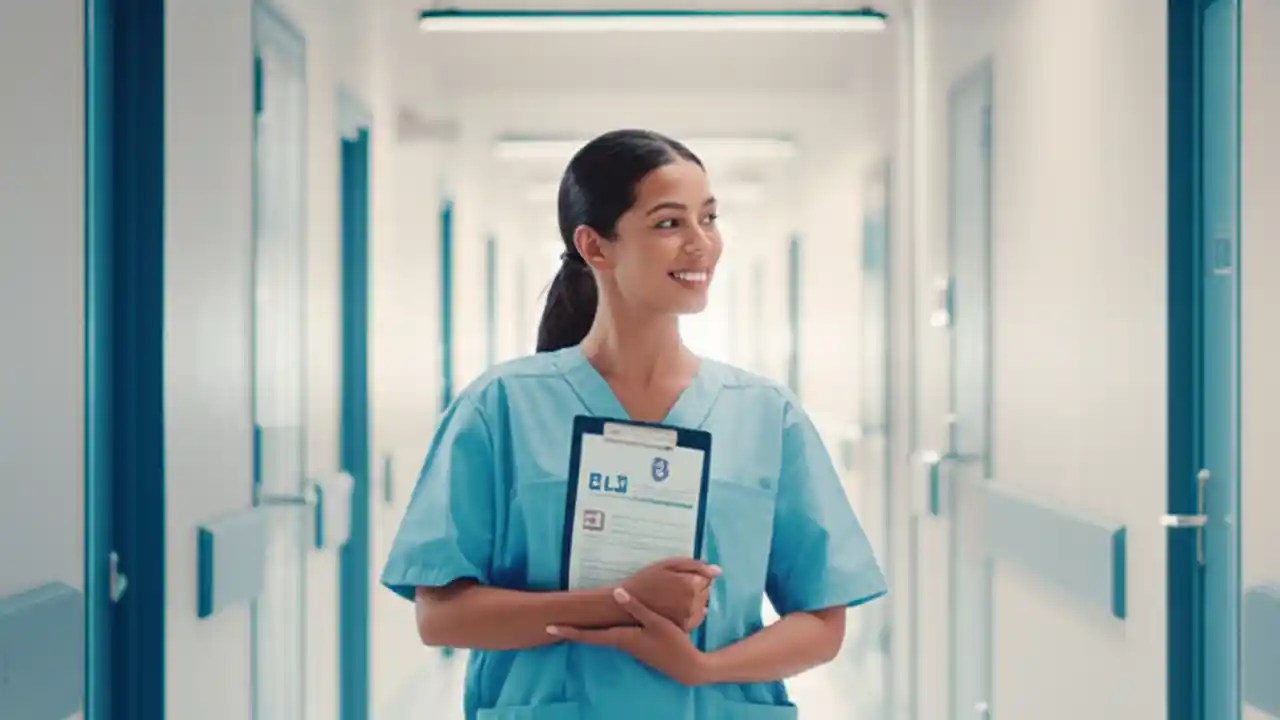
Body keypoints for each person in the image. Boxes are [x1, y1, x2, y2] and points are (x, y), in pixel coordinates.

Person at [380, 129, 887, 720]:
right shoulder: (502, 406)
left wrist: (701, 668)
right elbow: (441, 616)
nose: (702, 245)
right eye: (670, 224)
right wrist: (621, 603)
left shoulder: (764, 415)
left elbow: (823, 622)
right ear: (596, 246)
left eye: (710, 218)